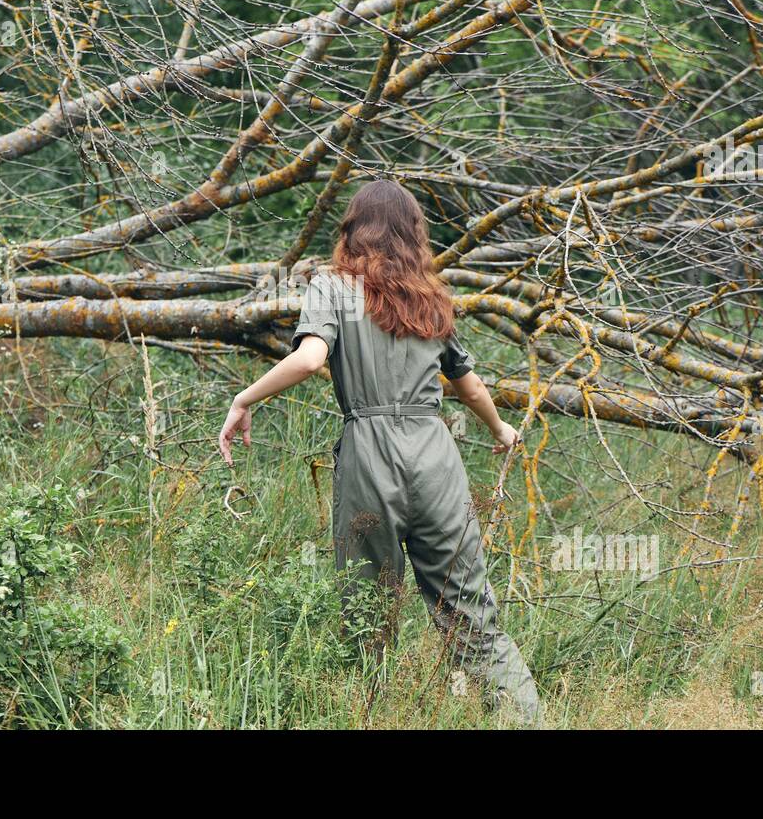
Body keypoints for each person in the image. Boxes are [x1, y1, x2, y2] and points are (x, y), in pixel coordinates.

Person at [217, 179, 542, 726]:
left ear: (353, 229)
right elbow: (468, 384)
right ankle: (527, 720)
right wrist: (500, 429)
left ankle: (372, 715)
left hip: (369, 456)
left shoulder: (332, 286)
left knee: (367, 613)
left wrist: (243, 398)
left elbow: (307, 359)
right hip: (436, 457)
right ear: (413, 233)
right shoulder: (430, 296)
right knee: (470, 613)